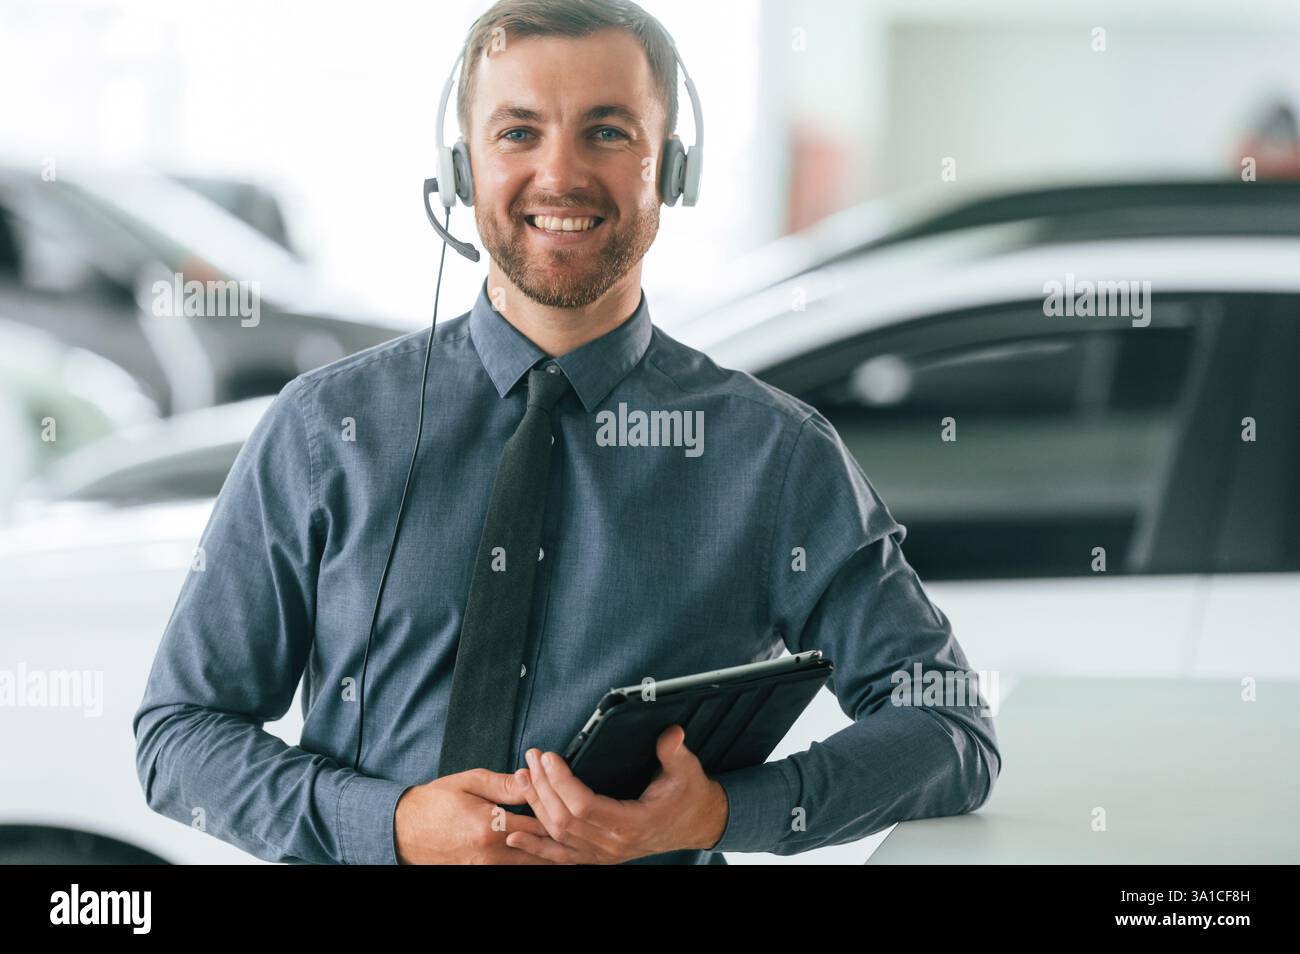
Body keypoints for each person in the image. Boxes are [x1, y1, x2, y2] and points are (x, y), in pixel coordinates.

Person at [133, 0, 999, 865]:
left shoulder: (774, 457)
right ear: (461, 166)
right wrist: (387, 824)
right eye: (518, 132)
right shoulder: (326, 430)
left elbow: (951, 728)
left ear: (672, 169)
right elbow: (178, 734)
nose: (561, 174)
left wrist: (724, 812)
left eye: (609, 132)